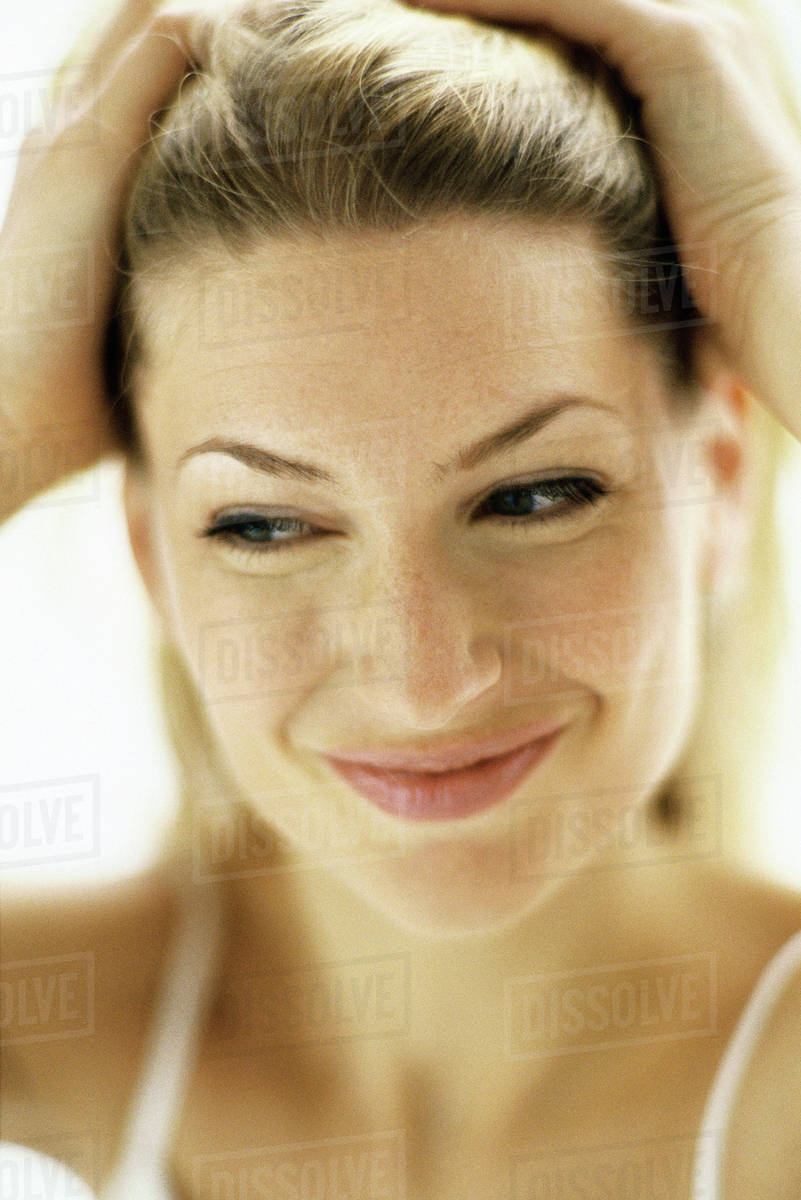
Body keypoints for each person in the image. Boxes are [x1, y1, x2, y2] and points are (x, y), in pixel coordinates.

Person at [1, 0, 800, 1196]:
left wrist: (765, 234)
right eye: (265, 524)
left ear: (722, 486)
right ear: (153, 556)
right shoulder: (47, 1031)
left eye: (535, 497)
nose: (425, 679)